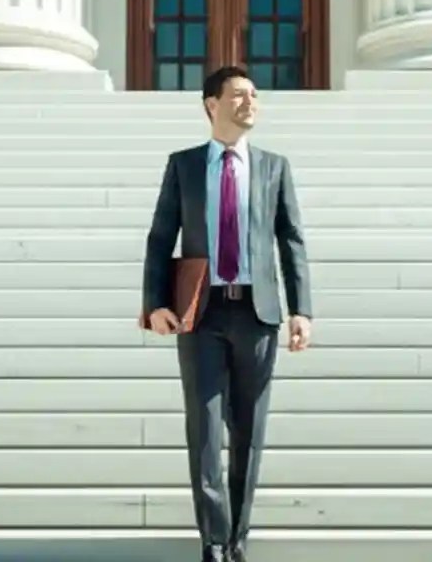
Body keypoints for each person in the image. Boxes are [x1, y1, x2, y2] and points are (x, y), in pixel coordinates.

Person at [141, 65, 314, 562]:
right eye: (238, 94)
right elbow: (160, 238)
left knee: (249, 432)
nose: (250, 102)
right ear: (210, 104)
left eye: (255, 94)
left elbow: (291, 240)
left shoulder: (274, 167)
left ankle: (237, 538)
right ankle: (213, 542)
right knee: (205, 428)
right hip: (202, 314)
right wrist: (155, 304)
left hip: (257, 315)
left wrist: (301, 309)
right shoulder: (184, 166)